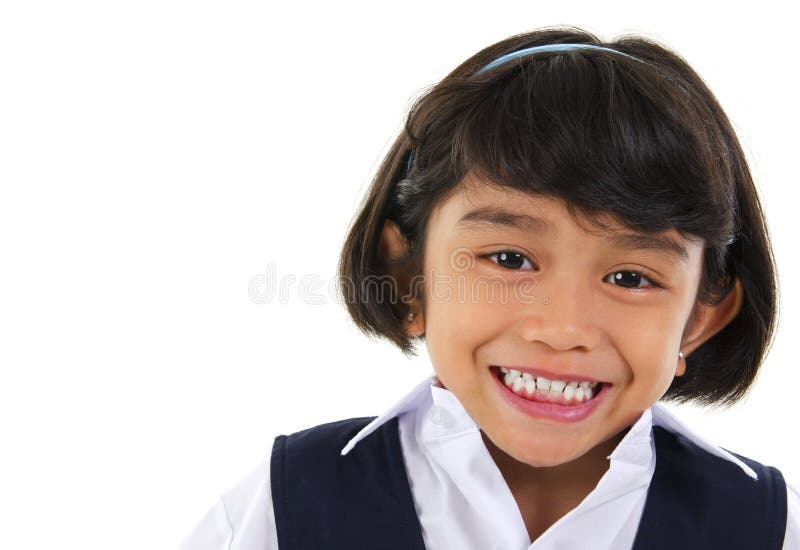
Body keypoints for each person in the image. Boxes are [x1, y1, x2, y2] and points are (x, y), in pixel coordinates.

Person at [180, 26, 799, 549]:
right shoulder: (283, 512)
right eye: (509, 258)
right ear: (409, 280)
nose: (562, 329)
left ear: (698, 318)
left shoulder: (770, 530)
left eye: (630, 277)